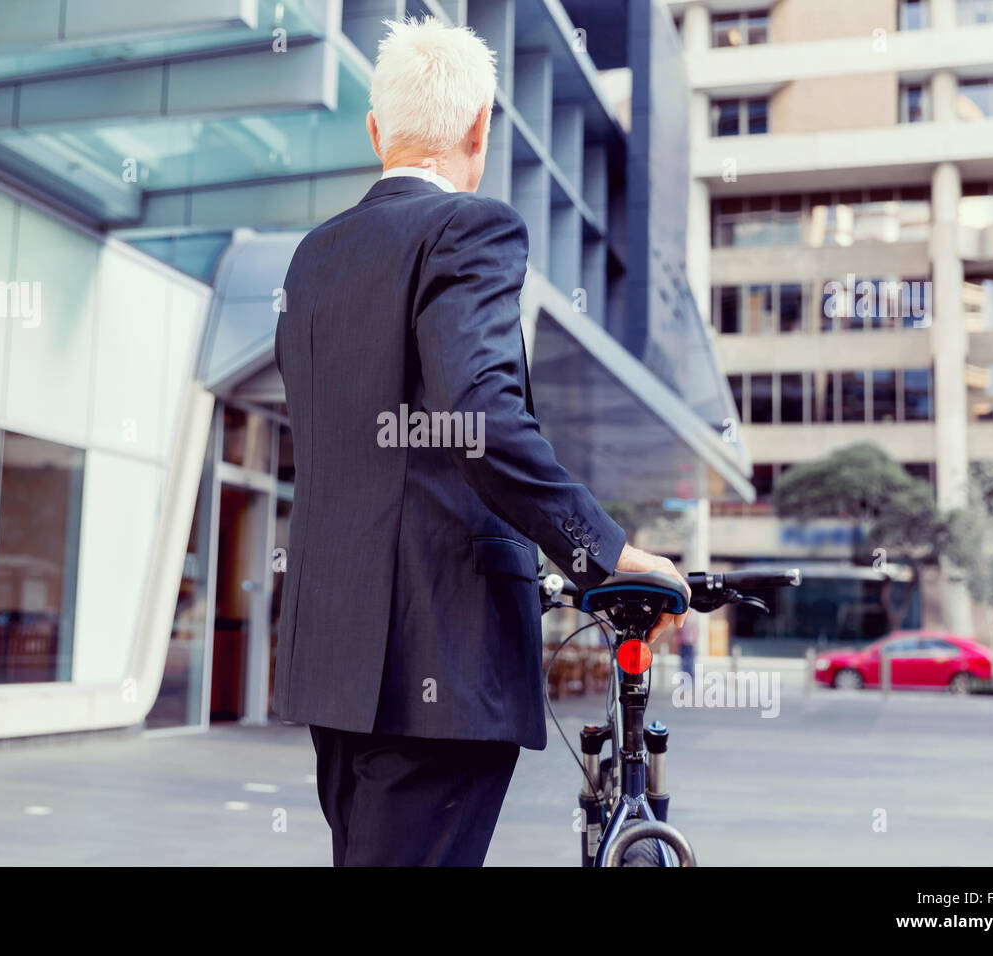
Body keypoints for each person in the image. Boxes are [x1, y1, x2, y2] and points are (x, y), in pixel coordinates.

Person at [272, 16, 689, 866]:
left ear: (376, 131)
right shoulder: (468, 229)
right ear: (480, 128)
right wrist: (602, 549)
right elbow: (481, 417)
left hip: (334, 658)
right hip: (439, 655)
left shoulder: (313, 260)